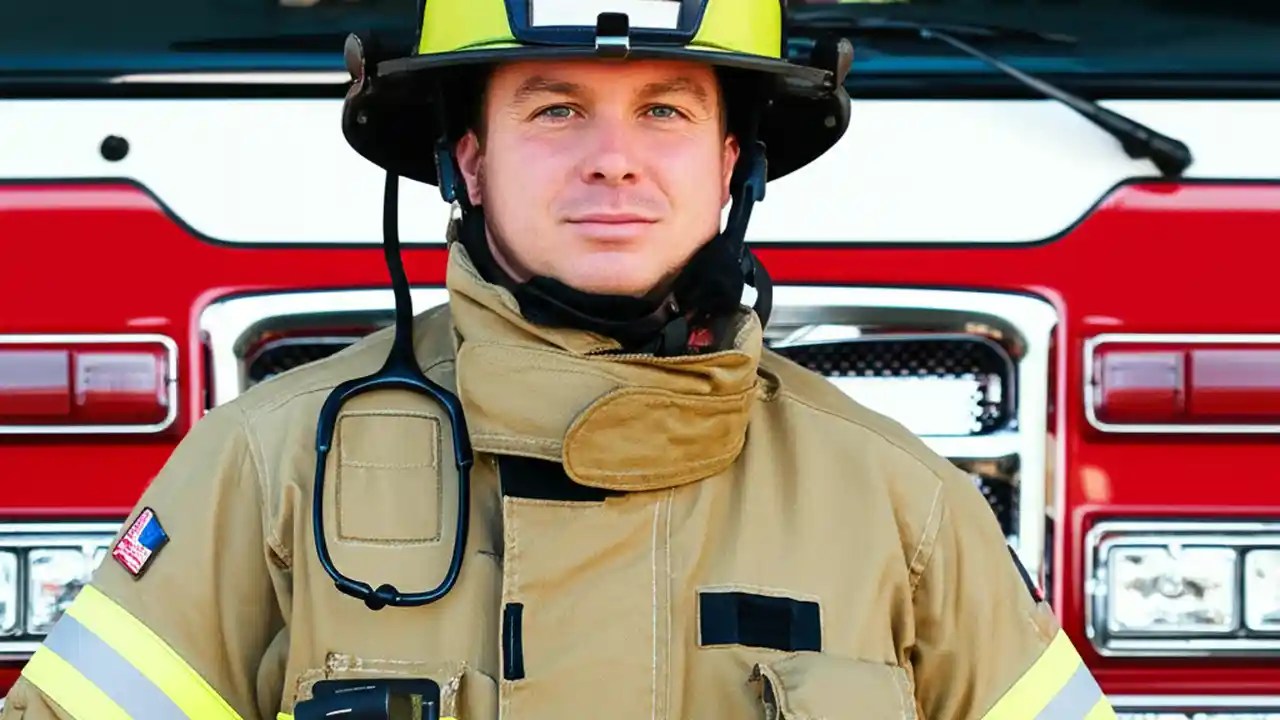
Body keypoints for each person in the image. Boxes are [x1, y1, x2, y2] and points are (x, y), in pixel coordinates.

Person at [1, 1, 1117, 718]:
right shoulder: (266, 467)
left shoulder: (901, 504)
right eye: (555, 110)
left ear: (732, 163)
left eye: (665, 111)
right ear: (469, 161)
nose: (614, 161)